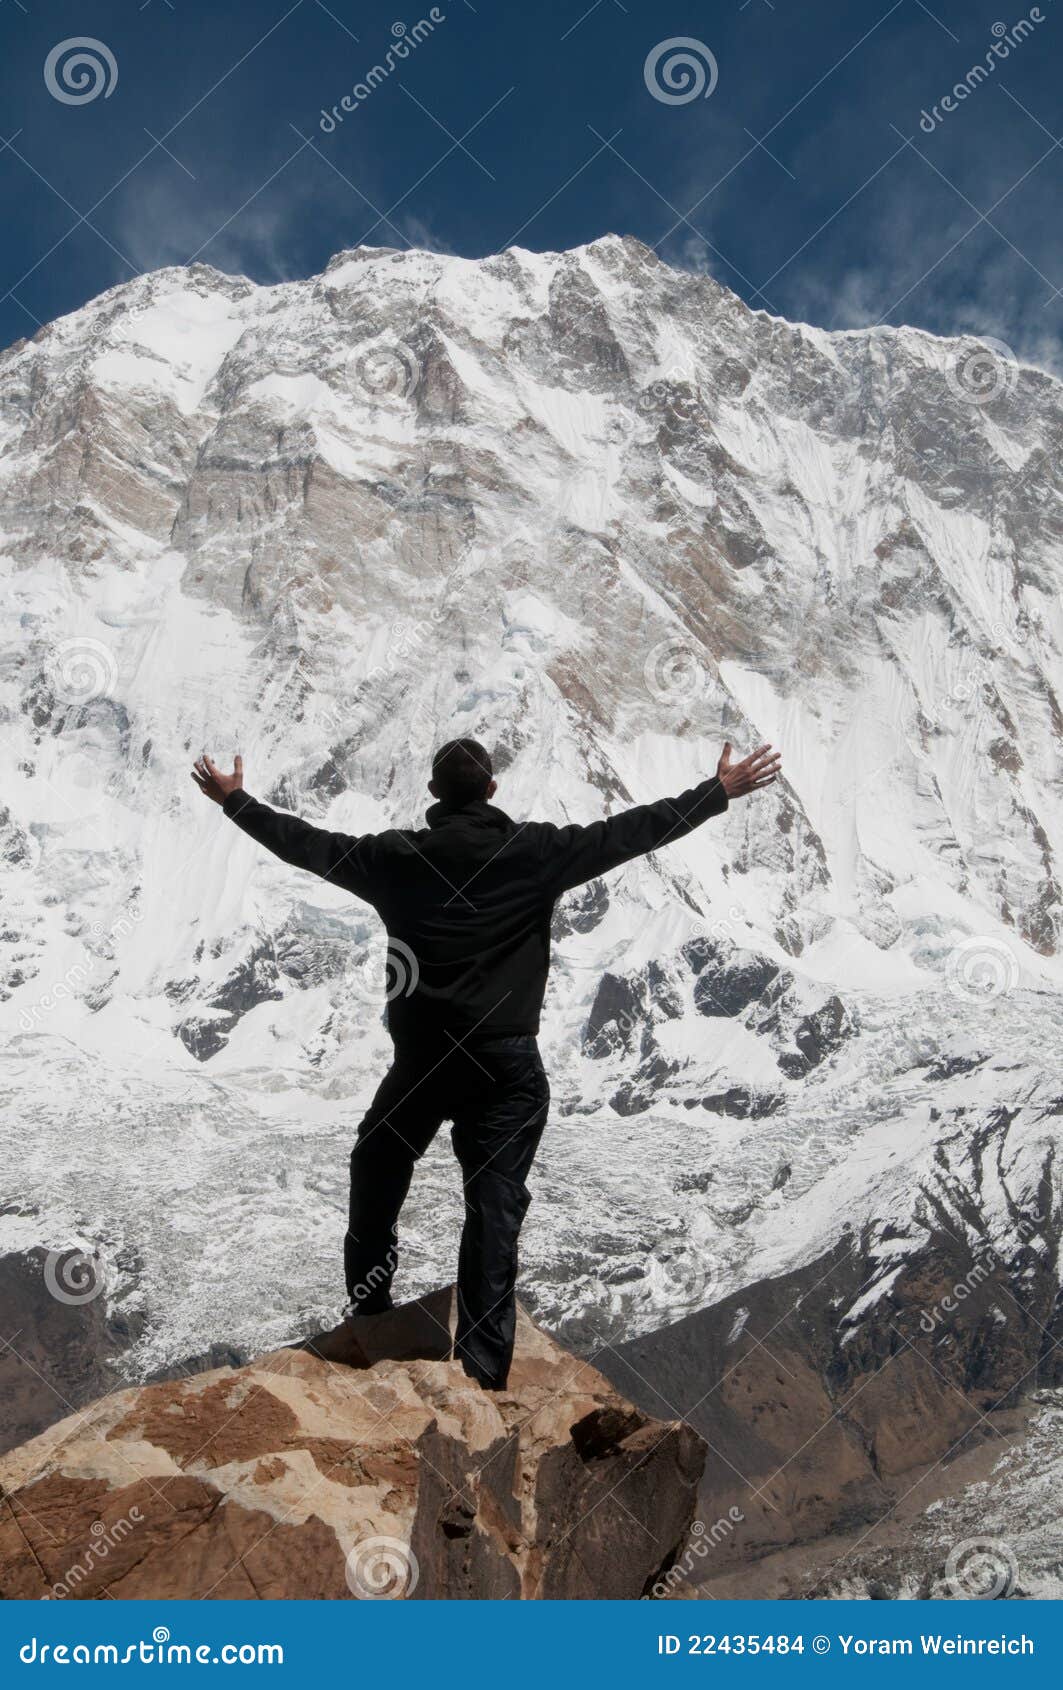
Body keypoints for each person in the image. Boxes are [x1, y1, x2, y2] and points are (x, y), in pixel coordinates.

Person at [191, 736, 781, 1389]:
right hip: (505, 1064)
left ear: (434, 797)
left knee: (378, 1164)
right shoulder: (534, 853)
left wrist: (234, 800)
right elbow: (628, 833)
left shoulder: (395, 857)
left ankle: (370, 1310)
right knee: (493, 1205)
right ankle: (482, 1370)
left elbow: (306, 844)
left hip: (422, 1063)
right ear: (492, 790)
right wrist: (715, 791)